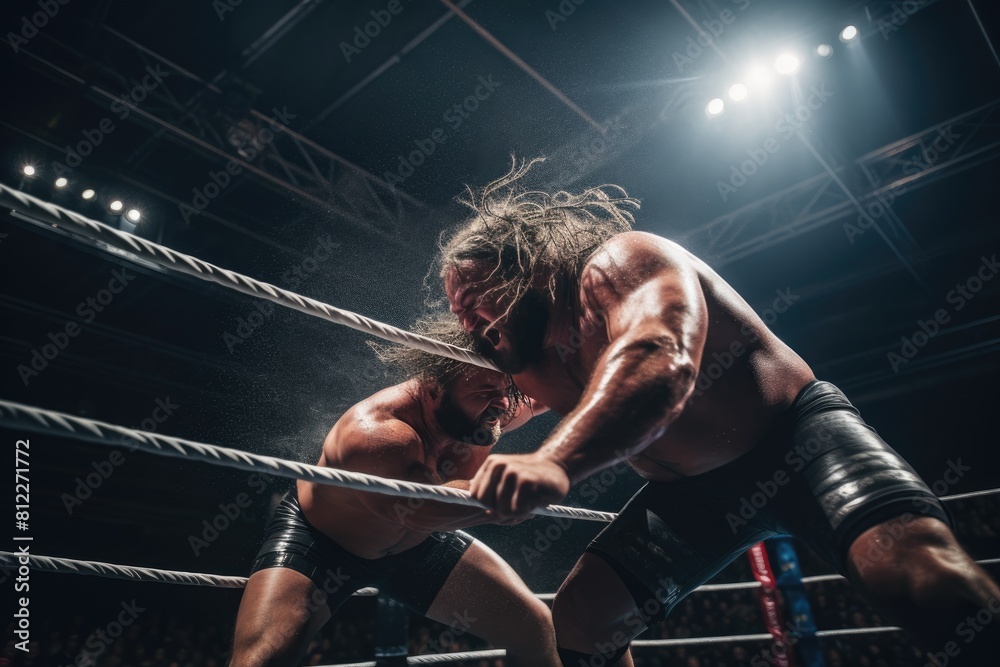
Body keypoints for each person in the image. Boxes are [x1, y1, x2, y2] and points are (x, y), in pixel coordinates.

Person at [439, 158, 1000, 666]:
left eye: (473, 299)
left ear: (526, 266)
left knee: (918, 575)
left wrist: (553, 461)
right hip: (691, 498)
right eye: (458, 313)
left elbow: (658, 358)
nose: (467, 322)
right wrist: (448, 454)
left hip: (796, 441)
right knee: (585, 618)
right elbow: (469, 413)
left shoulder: (620, 265)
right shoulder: (528, 364)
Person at [228, 315, 559, 667]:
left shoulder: (488, 408)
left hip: (417, 546)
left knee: (534, 627)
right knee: (262, 658)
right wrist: (501, 495)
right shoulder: (376, 434)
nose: (503, 404)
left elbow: (552, 394)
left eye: (506, 390)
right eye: (486, 391)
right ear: (434, 385)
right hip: (323, 545)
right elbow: (420, 509)